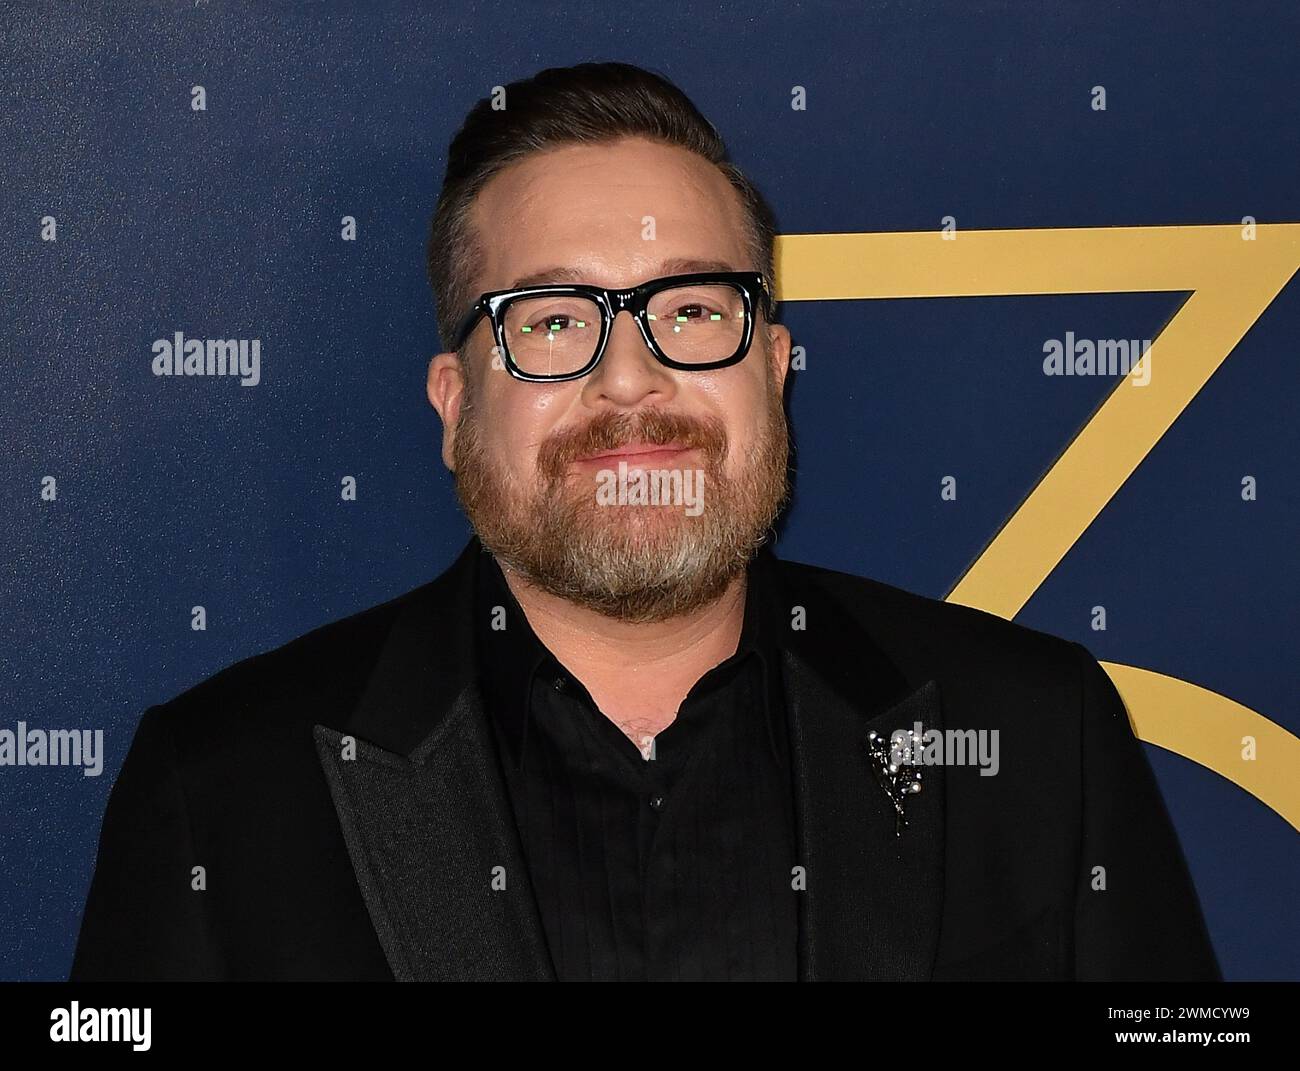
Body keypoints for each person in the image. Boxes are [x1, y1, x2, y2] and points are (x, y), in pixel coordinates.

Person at [71, 61, 1219, 982]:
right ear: (455, 402)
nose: (631, 381)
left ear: (774, 370)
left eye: (691, 308)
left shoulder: (1037, 738)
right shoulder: (221, 791)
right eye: (555, 320)